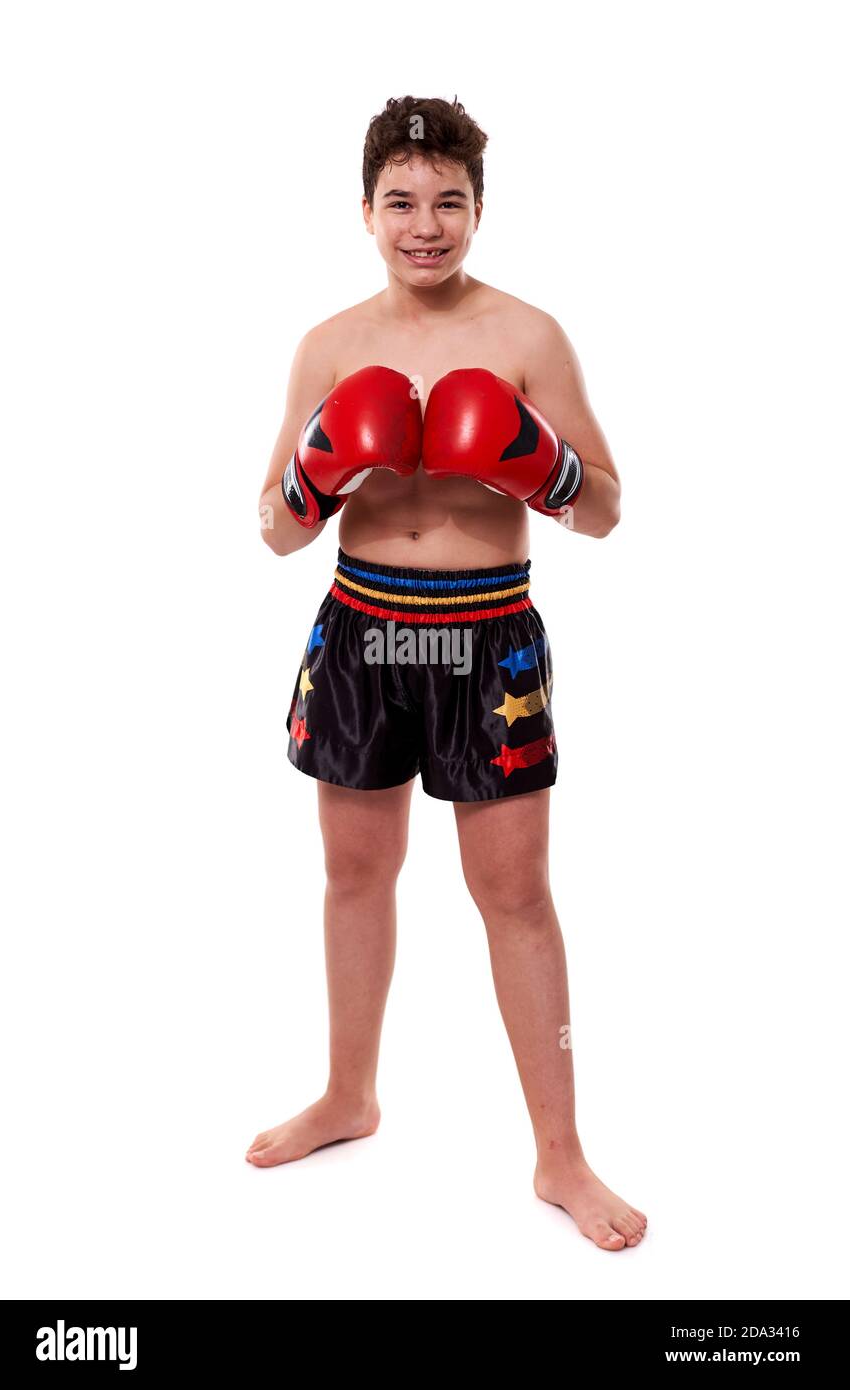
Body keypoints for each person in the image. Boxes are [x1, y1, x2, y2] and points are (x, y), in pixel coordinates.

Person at [251, 96, 646, 1252]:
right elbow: (272, 530)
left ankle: (560, 1156)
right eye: (402, 204)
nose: (426, 226)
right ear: (365, 212)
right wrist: (322, 471)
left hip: (488, 638)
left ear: (480, 208)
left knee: (514, 894)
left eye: (449, 204)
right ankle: (348, 1094)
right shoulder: (328, 345)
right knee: (354, 875)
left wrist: (545, 465)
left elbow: (609, 510)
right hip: (364, 628)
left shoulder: (529, 337)